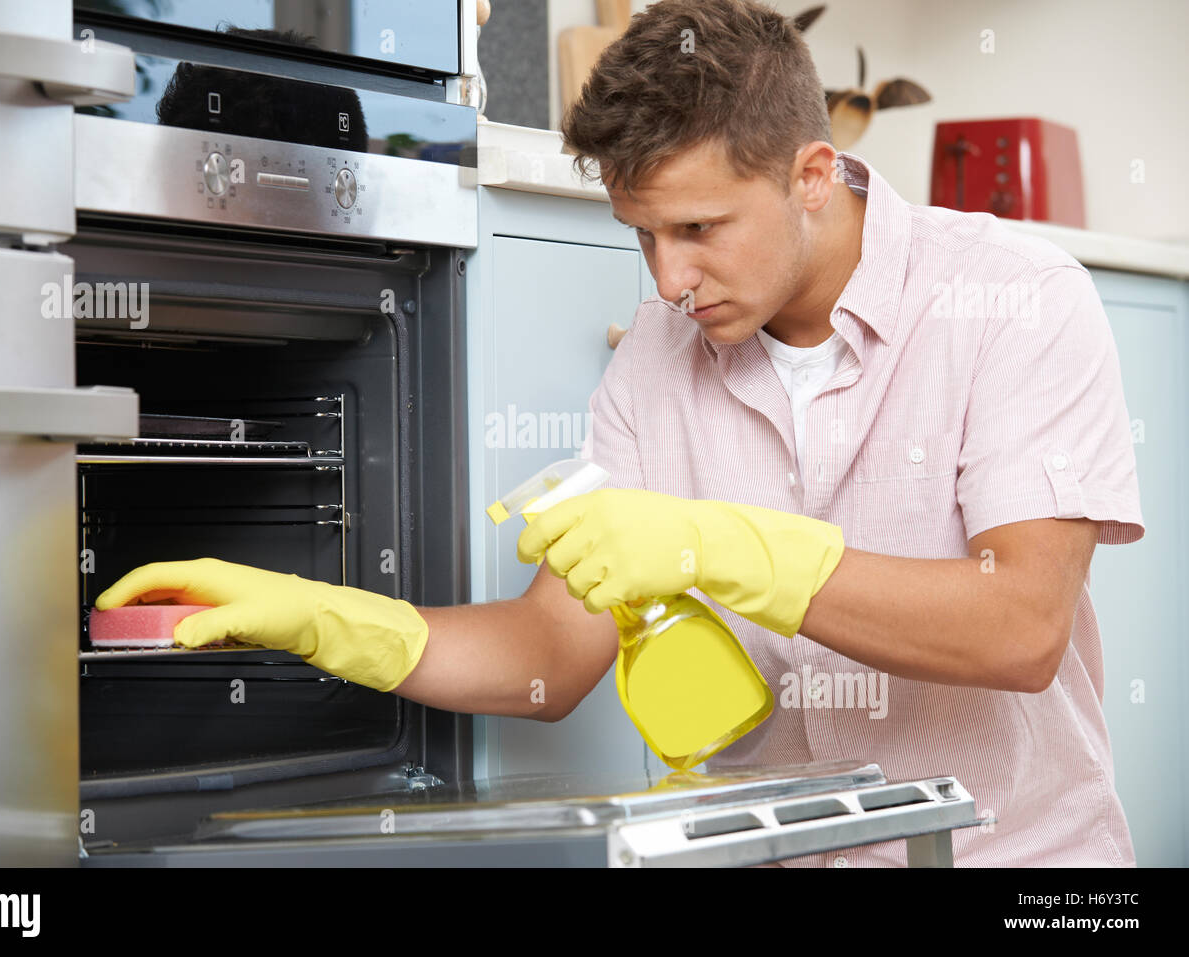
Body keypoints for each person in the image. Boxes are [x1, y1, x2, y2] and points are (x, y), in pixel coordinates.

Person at [96, 0, 1143, 866]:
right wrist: (312, 615)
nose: (669, 281)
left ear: (812, 176)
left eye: (698, 229)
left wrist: (717, 545)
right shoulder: (658, 355)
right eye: (641, 236)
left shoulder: (1012, 297)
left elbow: (1017, 629)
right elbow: (549, 660)